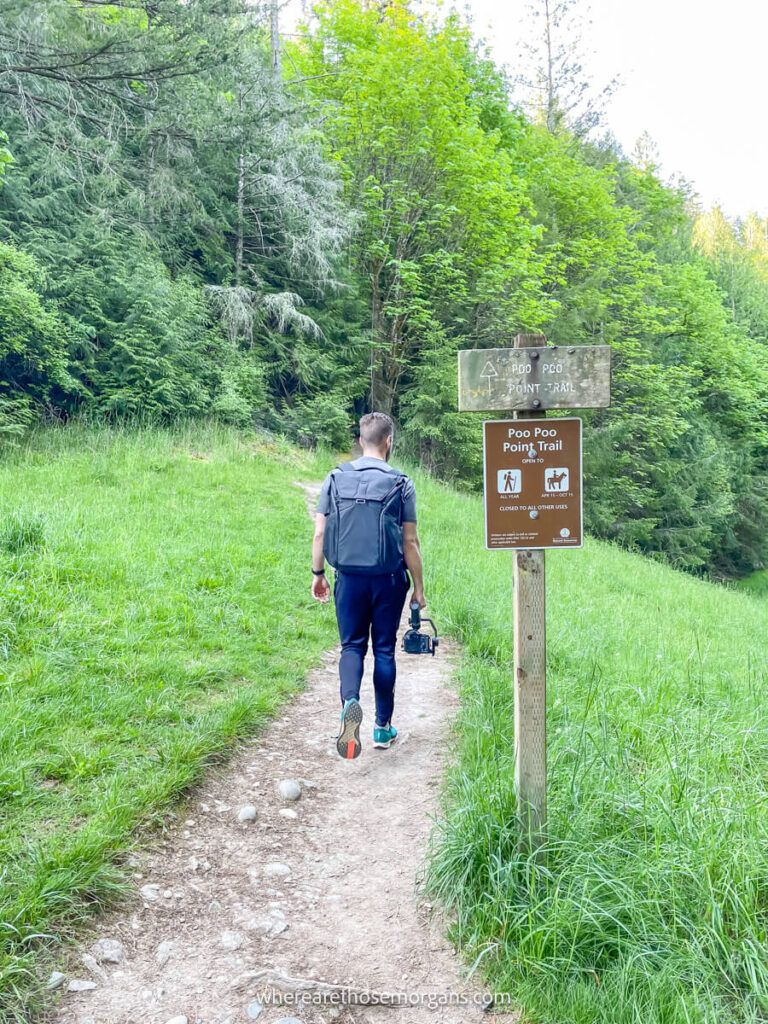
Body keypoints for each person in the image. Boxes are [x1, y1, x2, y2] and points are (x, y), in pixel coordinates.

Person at [311, 412, 425, 760]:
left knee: (352, 647)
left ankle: (350, 702)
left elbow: (319, 532)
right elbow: (410, 542)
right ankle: (382, 727)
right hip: (388, 581)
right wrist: (418, 589)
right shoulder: (401, 482)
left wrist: (318, 574)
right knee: (385, 651)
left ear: (361, 441)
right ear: (389, 440)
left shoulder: (335, 477)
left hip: (348, 579)